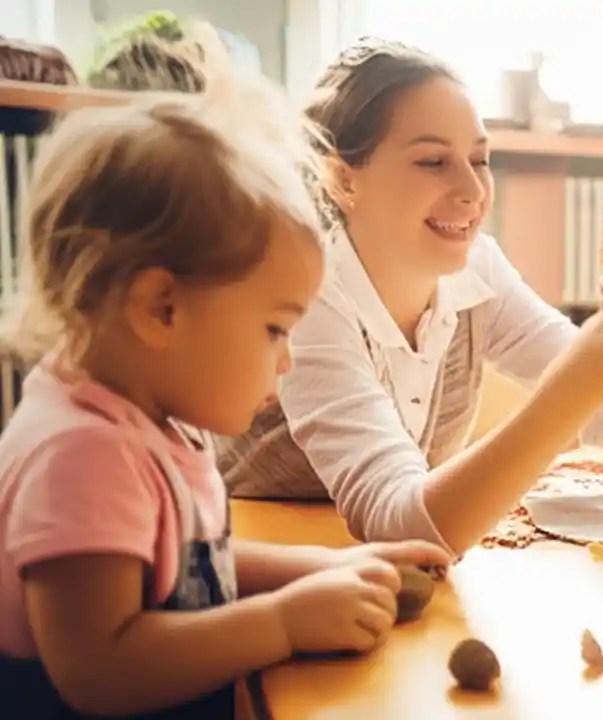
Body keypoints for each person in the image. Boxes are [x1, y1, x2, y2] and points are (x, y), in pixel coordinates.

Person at [0, 68, 451, 718]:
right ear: (161, 308)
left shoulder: (146, 421)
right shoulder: (81, 454)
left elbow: (191, 569)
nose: (287, 359)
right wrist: (283, 624)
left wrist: (324, 567)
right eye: (274, 329)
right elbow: (98, 669)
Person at [218, 37, 603, 553]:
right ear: (342, 179)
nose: (472, 190)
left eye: (480, 159)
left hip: (386, 581)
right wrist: (574, 385)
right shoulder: (308, 292)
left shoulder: (478, 272)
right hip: (261, 568)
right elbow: (397, 525)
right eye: (432, 161)